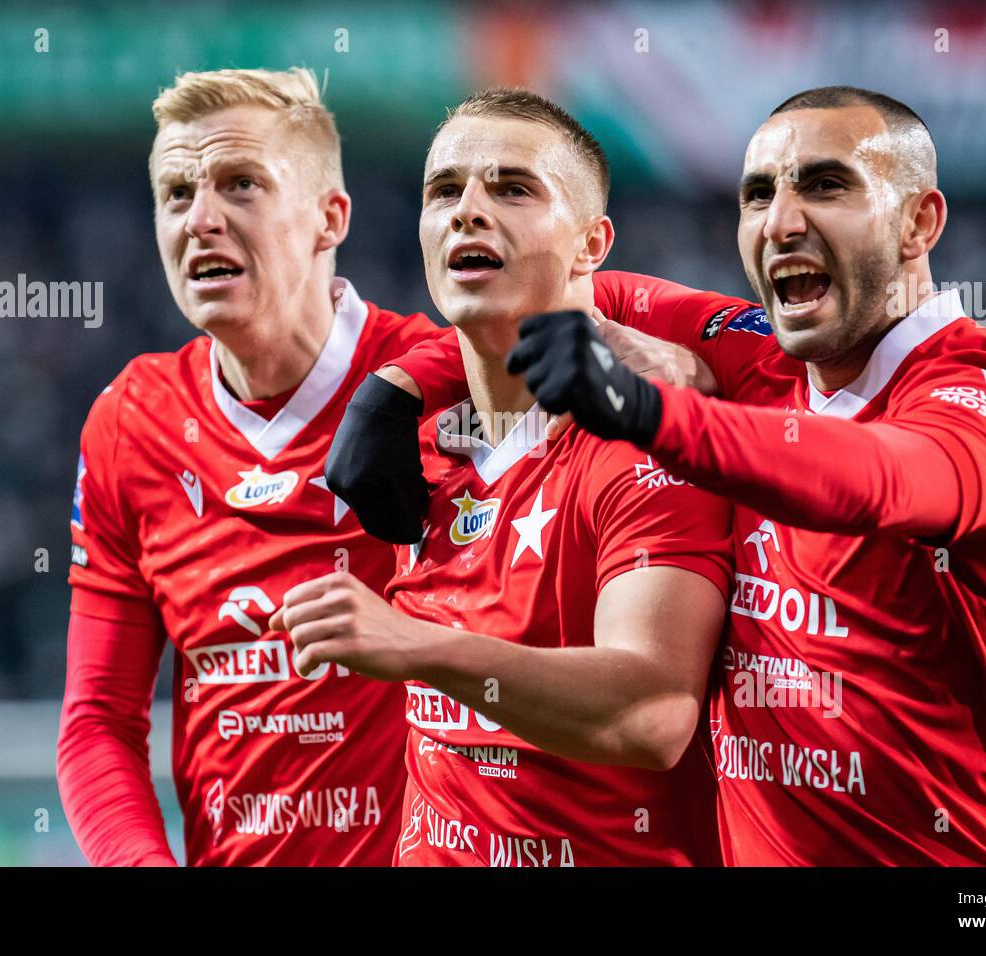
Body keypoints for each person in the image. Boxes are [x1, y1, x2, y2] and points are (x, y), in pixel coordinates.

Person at [57, 68, 751, 866]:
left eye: (241, 185)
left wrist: (684, 351)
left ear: (330, 217)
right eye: (175, 195)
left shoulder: (433, 386)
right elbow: (98, 721)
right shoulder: (131, 420)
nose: (202, 219)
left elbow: (550, 299)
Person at [503, 87, 986, 864]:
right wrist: (403, 386)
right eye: (758, 195)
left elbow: (878, 479)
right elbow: (544, 283)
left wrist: (650, 412)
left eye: (825, 184)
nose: (781, 222)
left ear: (920, 222)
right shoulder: (756, 359)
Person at [274, 89, 736, 866]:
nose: (467, 211)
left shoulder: (646, 447)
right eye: (444, 191)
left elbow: (652, 715)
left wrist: (418, 646)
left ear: (592, 243)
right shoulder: (413, 453)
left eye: (512, 187)